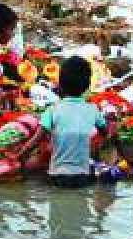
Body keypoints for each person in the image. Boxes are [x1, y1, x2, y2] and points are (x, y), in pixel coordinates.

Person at [42, 56, 109, 188]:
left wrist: (20, 155)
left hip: (57, 176)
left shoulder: (52, 110)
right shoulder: (93, 109)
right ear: (88, 85)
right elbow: (105, 133)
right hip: (82, 177)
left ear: (60, 84)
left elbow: (36, 139)